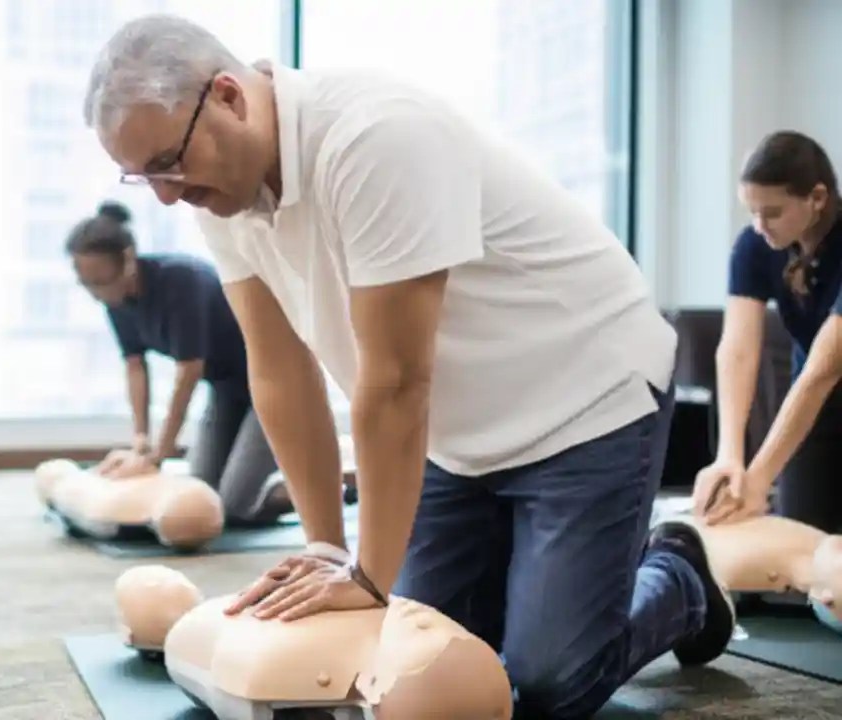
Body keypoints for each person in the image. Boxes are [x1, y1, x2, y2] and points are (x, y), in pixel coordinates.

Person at [80, 15, 734, 718]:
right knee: (418, 663)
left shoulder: (375, 138)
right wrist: (328, 548)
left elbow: (394, 381)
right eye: (143, 177)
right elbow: (278, 369)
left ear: (231, 98)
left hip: (584, 398)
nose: (167, 196)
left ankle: (680, 575)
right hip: (454, 435)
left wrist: (367, 573)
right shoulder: (221, 189)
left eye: (167, 164)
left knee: (546, 684)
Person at [67, 200, 294, 526]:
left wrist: (161, 453)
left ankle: (319, 487)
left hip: (277, 381)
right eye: (87, 285)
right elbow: (135, 366)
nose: (96, 294)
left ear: (128, 259)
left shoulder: (180, 281)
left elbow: (189, 372)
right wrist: (141, 441)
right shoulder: (115, 301)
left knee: (230, 507)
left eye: (102, 283)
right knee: (199, 495)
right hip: (227, 389)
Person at [692, 131, 842, 534]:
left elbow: (824, 369)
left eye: (772, 212)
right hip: (816, 405)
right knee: (802, 537)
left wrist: (758, 482)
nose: (760, 226)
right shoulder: (755, 246)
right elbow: (738, 350)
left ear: (817, 198)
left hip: (821, 379)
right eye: (752, 211)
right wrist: (730, 458)